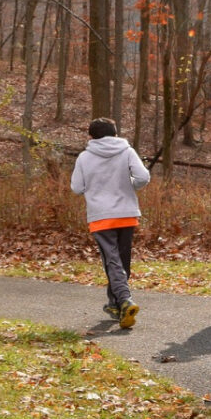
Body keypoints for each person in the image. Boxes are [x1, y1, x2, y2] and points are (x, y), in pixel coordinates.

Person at [70, 117, 151, 330]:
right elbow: (143, 177)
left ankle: (125, 300)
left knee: (112, 260)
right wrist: (130, 185)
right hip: (126, 212)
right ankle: (115, 304)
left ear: (91, 136)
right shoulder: (127, 151)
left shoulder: (84, 157)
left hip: (100, 215)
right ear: (115, 133)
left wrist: (95, 189)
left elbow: (77, 187)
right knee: (121, 261)